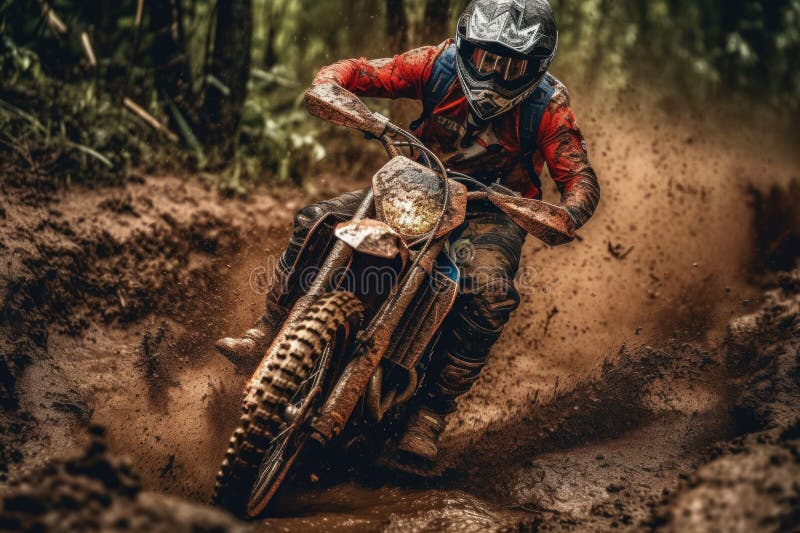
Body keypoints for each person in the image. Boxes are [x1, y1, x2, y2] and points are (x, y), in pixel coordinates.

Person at [216, 0, 600, 463]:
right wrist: (334, 87)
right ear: (467, 46)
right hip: (416, 183)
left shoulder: (548, 107)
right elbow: (362, 71)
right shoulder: (436, 65)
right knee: (316, 219)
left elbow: (578, 178)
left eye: (512, 64)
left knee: (490, 291)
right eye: (486, 58)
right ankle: (269, 327)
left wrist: (566, 213)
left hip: (493, 210)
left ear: (535, 68)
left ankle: (431, 414)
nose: (495, 74)